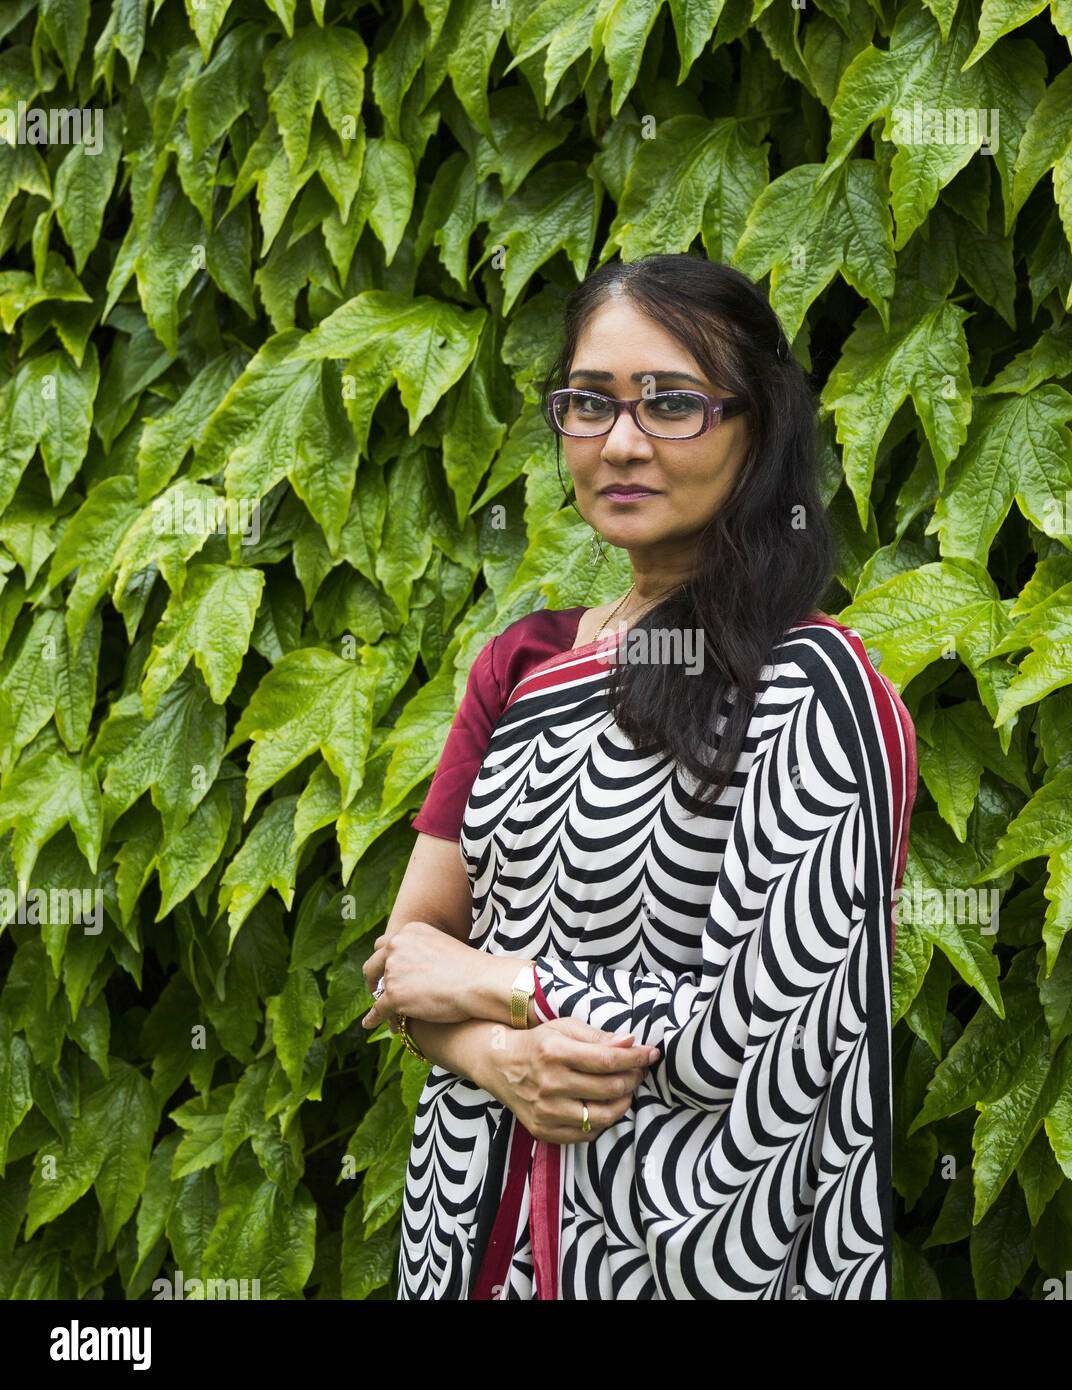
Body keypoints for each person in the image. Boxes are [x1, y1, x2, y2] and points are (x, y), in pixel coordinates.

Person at [362, 252, 916, 1299]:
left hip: (674, 1262)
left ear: (754, 427)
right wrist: (494, 1058)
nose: (620, 442)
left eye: (672, 404)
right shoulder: (518, 664)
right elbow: (408, 955)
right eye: (589, 404)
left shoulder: (810, 685)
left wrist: (497, 983)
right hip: (468, 1232)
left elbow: (761, 1043)